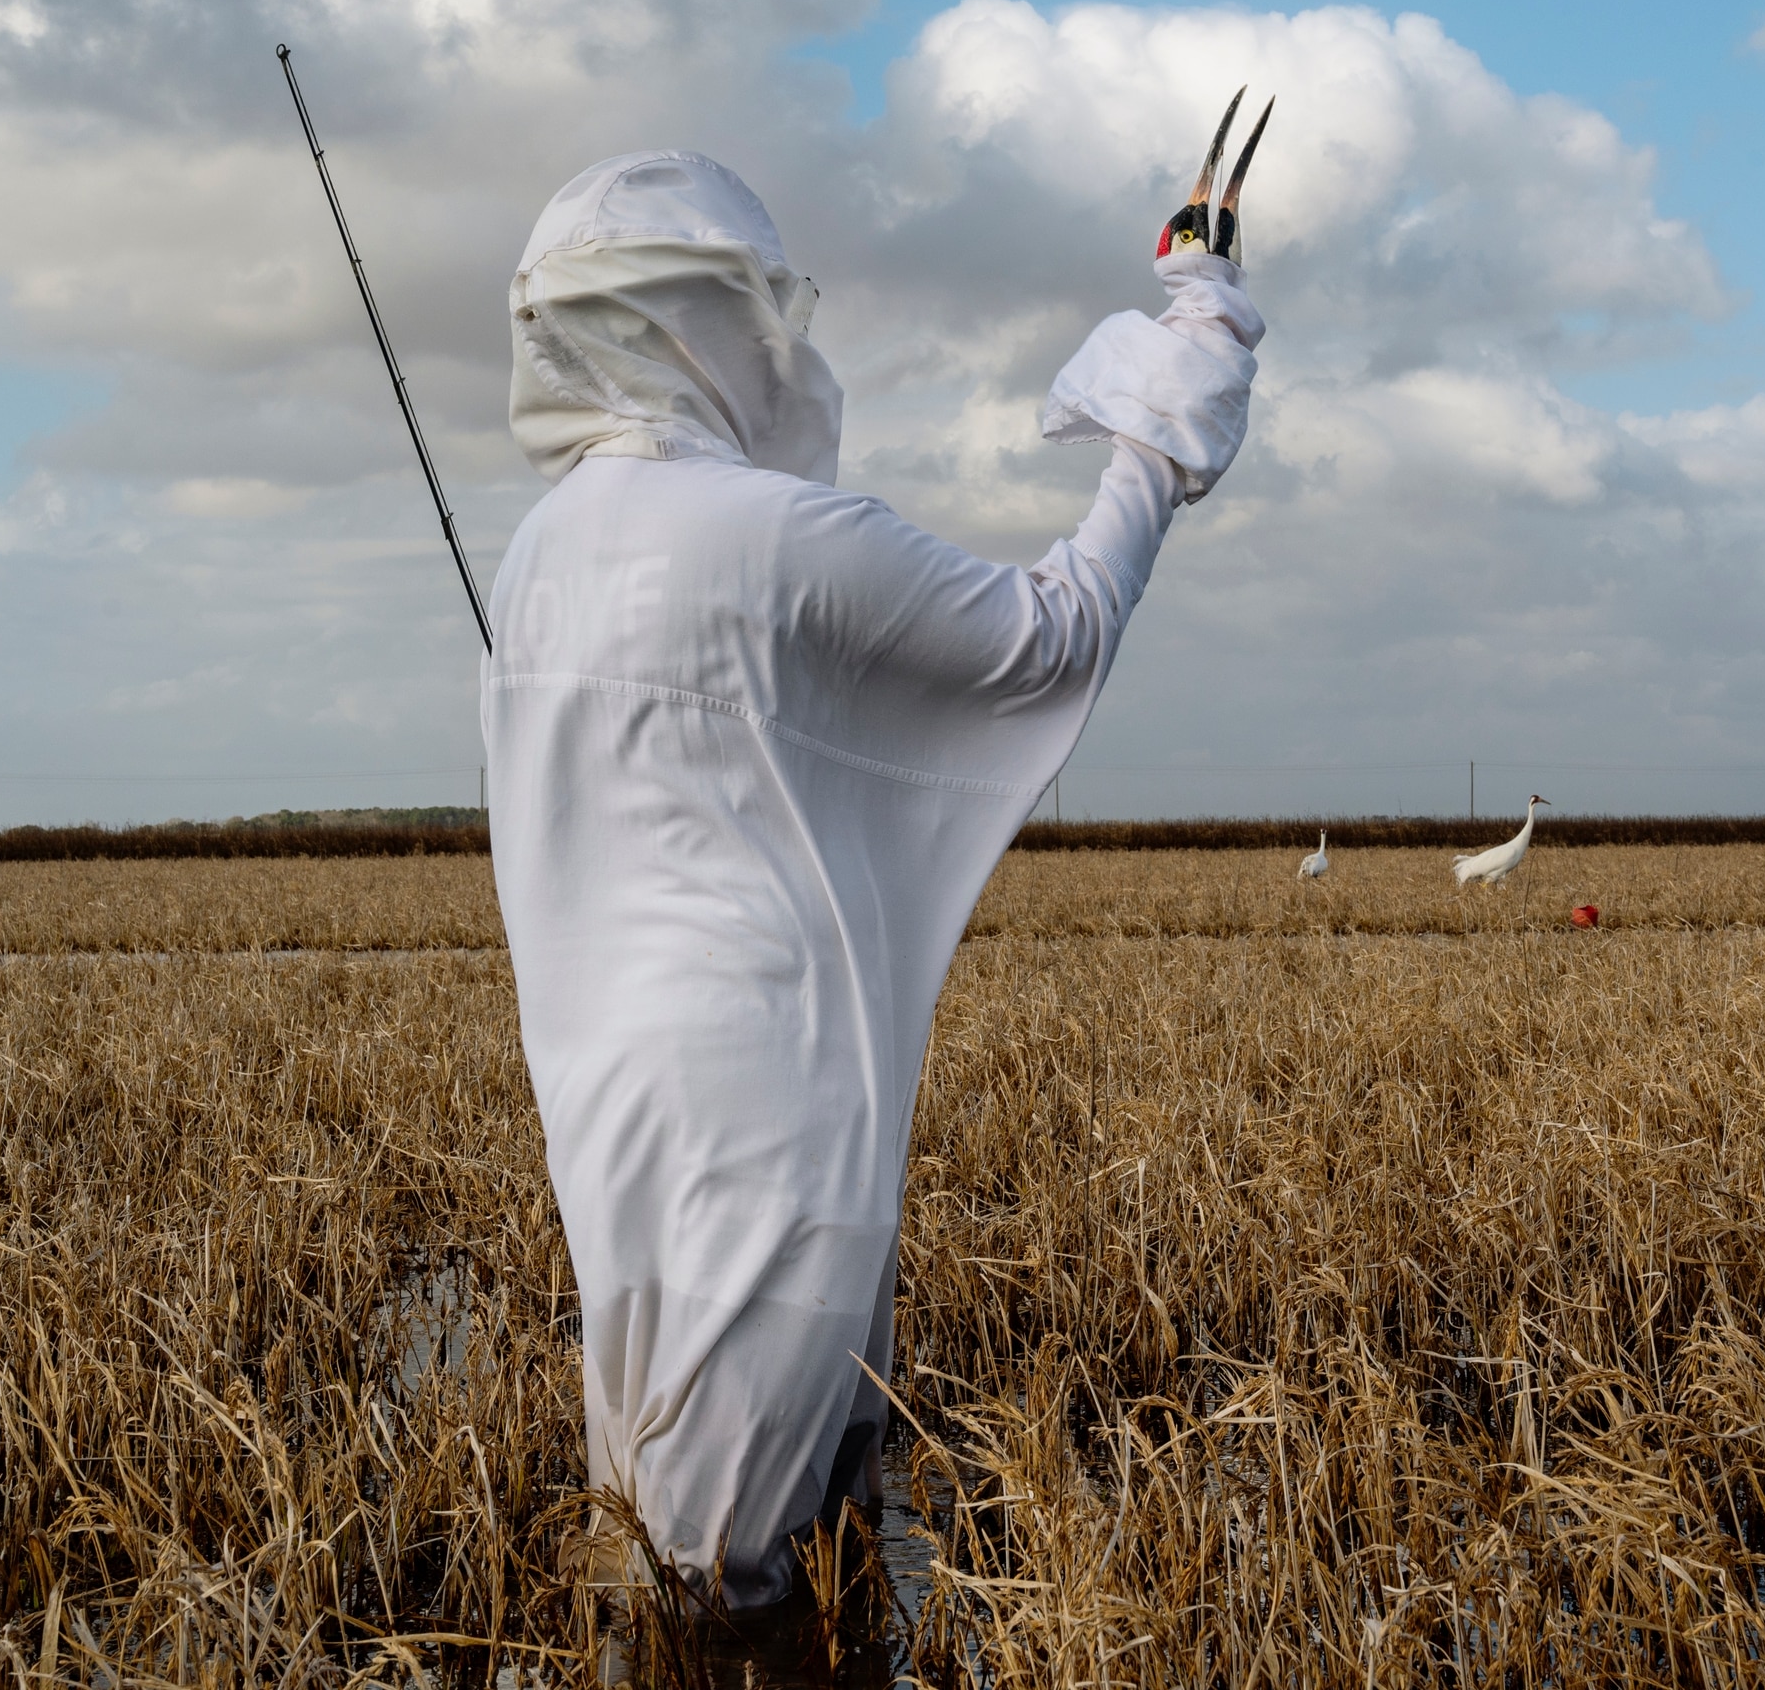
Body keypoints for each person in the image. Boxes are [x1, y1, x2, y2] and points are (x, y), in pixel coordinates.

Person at [480, 142, 1265, 1642]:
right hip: (772, 1110)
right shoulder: (767, 531)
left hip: (614, 1121)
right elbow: (1052, 635)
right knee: (765, 1569)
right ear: (711, 320)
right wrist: (1181, 381)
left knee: (675, 1543)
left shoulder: (539, 554)